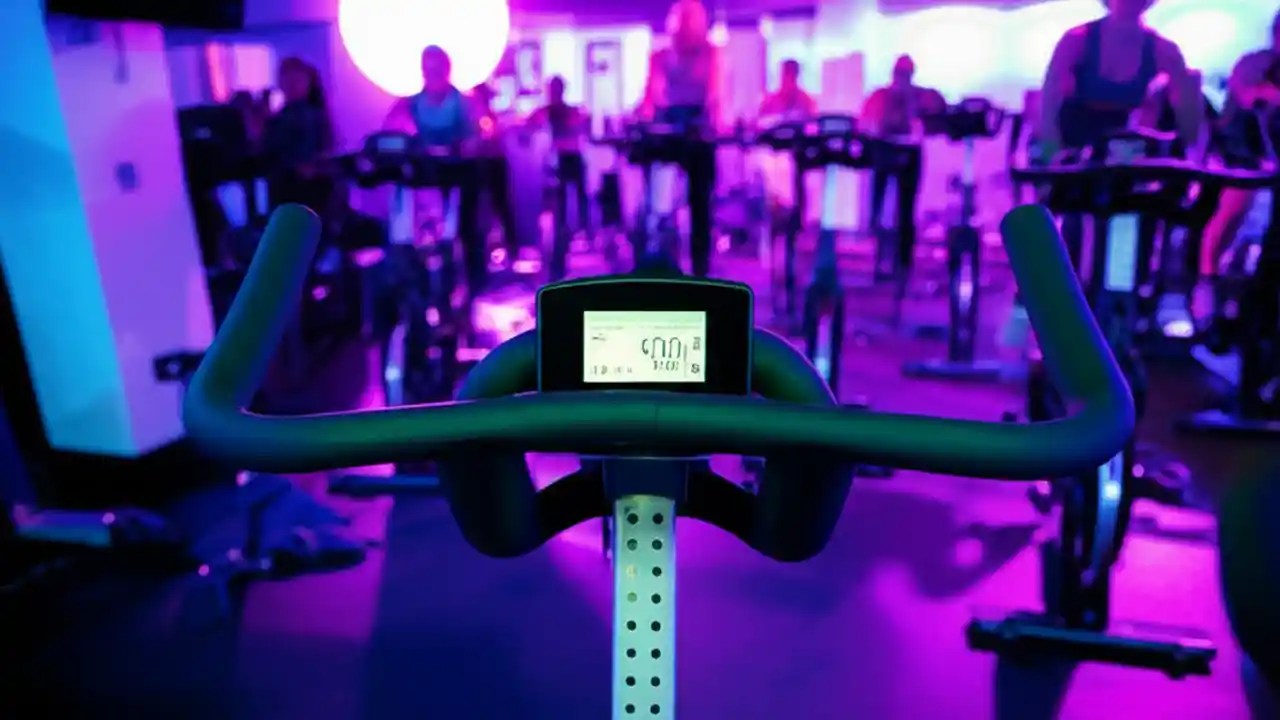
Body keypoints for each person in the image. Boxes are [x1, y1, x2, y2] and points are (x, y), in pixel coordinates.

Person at [384, 45, 488, 296]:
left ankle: (472, 285)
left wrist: (462, 147)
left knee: (466, 229)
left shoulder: (462, 102)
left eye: (436, 67)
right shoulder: (411, 103)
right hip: (425, 178)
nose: (431, 72)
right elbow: (391, 129)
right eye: (427, 67)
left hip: (459, 175)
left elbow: (474, 136)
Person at [1195, 12, 1280, 319]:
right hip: (1241, 155)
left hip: (1270, 161)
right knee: (1235, 206)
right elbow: (1249, 96)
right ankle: (1207, 282)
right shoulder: (1256, 63)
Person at [637, 0, 722, 277]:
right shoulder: (661, 56)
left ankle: (700, 270)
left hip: (698, 133)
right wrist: (645, 116)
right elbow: (650, 97)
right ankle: (659, 262)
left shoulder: (711, 54)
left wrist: (712, 122)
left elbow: (716, 95)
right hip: (668, 131)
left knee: (700, 207)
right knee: (657, 207)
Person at [861, 55, 945, 281]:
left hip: (909, 153)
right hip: (884, 150)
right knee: (881, 209)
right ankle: (881, 260)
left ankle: (903, 264)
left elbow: (937, 109)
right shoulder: (881, 96)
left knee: (906, 210)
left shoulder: (919, 95)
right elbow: (868, 120)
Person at [528, 76, 591, 279]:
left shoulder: (568, 111)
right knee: (561, 199)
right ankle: (566, 231)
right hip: (560, 160)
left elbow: (579, 127)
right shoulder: (547, 111)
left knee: (577, 195)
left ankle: (581, 229)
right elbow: (531, 124)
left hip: (570, 157)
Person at [260, 57, 336, 214]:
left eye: (296, 80)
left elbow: (325, 150)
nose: (291, 85)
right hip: (285, 188)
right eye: (287, 80)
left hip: (309, 190)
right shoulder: (279, 117)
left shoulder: (315, 116)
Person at [471, 83, 521, 261]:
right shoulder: (474, 118)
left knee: (501, 206)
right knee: (481, 209)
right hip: (479, 166)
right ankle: (483, 253)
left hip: (494, 165)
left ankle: (511, 249)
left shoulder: (491, 118)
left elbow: (496, 140)